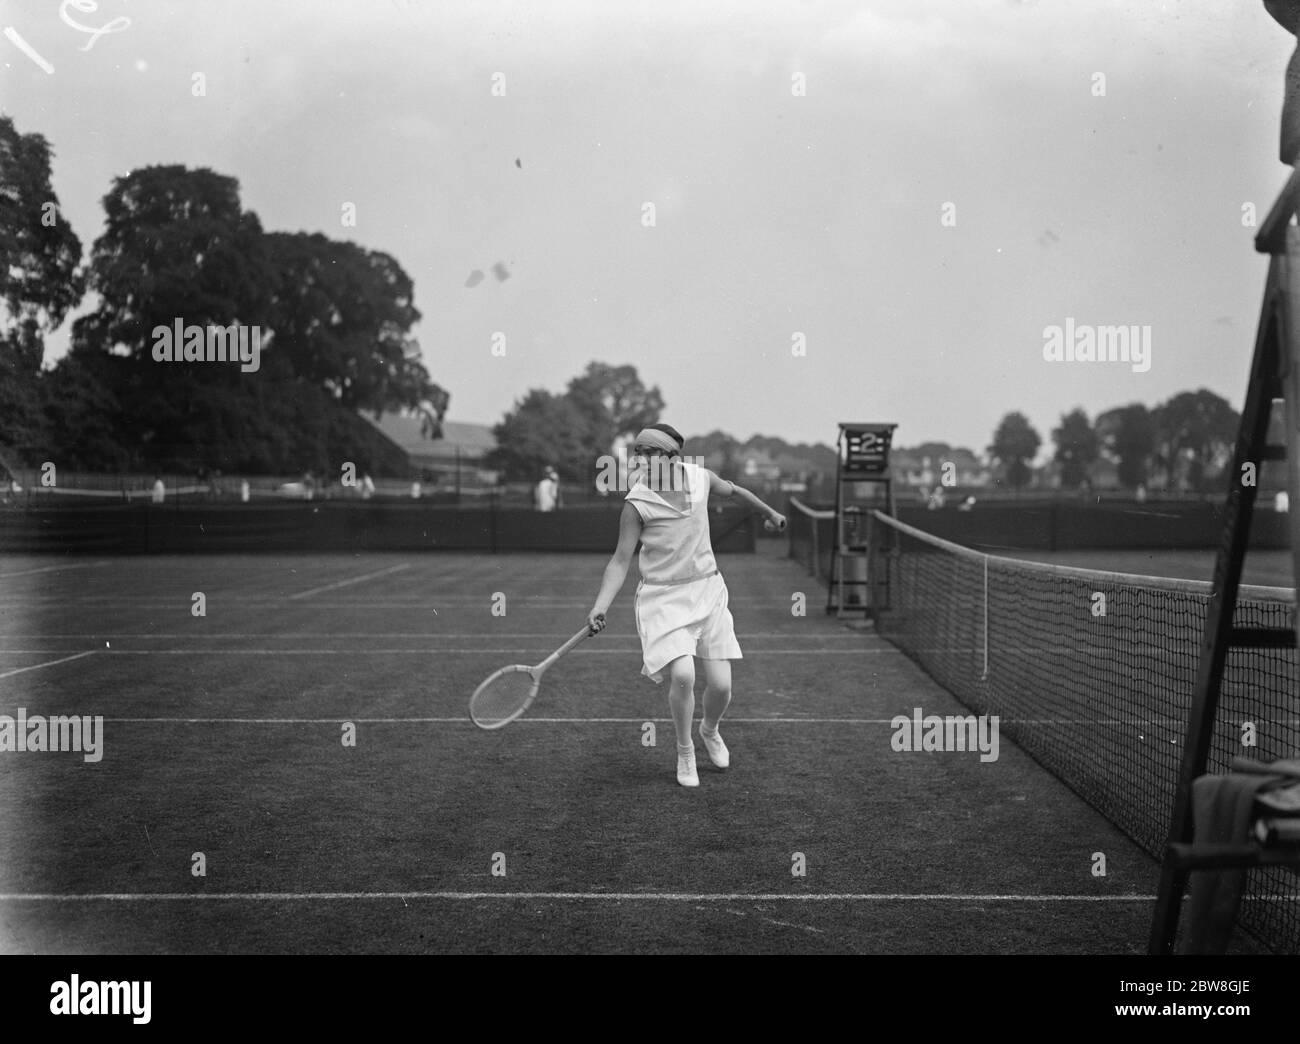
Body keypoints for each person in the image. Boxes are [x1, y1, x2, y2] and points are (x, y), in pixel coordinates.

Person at [585, 424, 787, 788]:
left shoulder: (699, 478)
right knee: (683, 676)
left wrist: (770, 513)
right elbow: (619, 561)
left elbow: (736, 491)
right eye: (639, 452)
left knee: (722, 686)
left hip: (708, 591)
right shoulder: (636, 503)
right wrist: (601, 606)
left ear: (671, 457)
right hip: (663, 599)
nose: (641, 459)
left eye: (649, 453)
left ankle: (710, 730)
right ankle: (684, 751)